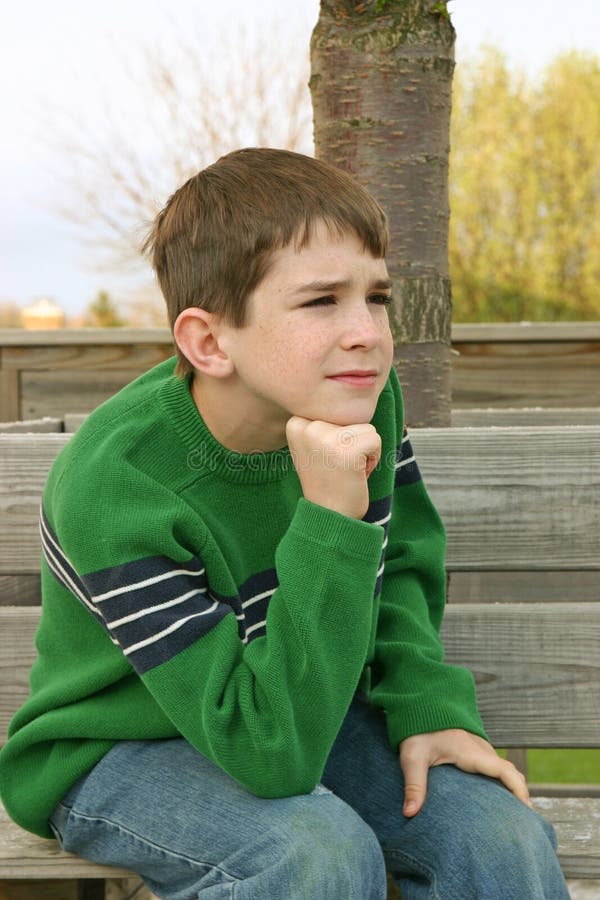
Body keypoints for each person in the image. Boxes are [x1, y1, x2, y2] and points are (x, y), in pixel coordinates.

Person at [0, 148, 568, 899]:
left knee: (499, 836)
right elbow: (271, 754)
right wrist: (332, 514)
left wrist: (426, 708)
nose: (366, 331)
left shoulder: (359, 397)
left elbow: (395, 567)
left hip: (302, 704)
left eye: (378, 296)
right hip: (118, 748)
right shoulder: (120, 486)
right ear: (207, 342)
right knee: (314, 852)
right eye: (321, 301)